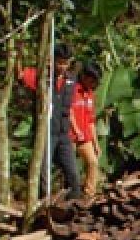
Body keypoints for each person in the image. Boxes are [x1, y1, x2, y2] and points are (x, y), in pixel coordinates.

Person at [18, 42, 80, 199]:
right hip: (46, 132)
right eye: (59, 62)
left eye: (65, 63)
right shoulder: (41, 77)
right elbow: (20, 75)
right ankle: (44, 202)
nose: (62, 67)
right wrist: (18, 52)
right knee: (43, 172)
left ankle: (73, 203)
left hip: (63, 133)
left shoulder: (71, 81)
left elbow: (70, 108)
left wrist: (76, 129)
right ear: (52, 60)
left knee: (73, 173)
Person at [73, 62, 102, 199]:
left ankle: (89, 194)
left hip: (85, 137)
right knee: (71, 169)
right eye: (92, 80)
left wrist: (96, 143)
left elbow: (91, 121)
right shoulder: (72, 89)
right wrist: (76, 130)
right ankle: (71, 194)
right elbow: (69, 112)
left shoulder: (90, 94)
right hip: (70, 136)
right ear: (84, 76)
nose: (93, 83)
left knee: (93, 162)